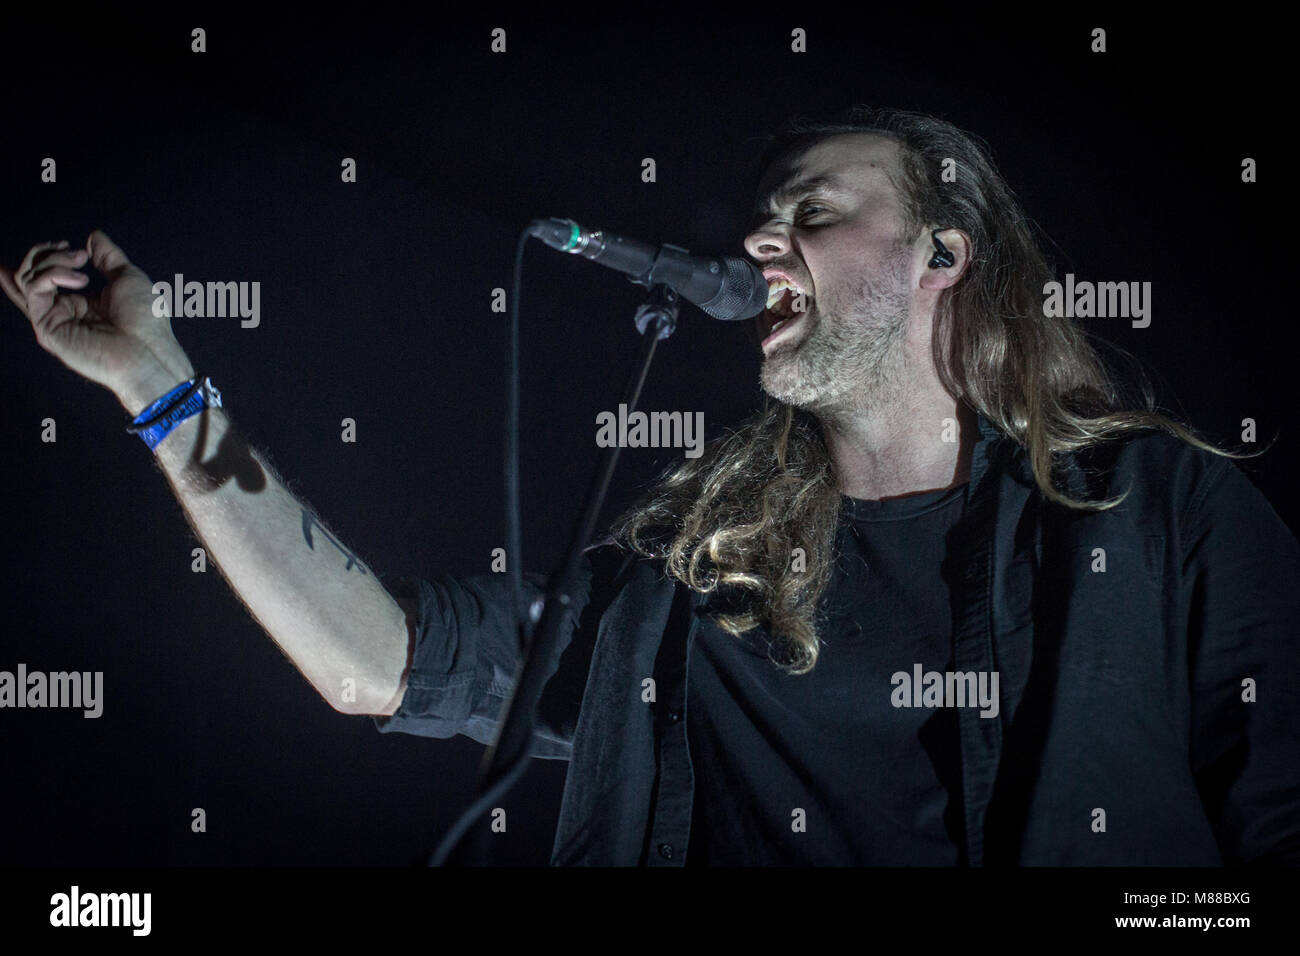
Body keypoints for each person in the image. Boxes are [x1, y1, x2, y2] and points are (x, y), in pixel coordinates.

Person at [5, 107, 1297, 867]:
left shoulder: (1160, 513)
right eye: (762, 213)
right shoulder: (681, 579)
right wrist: (159, 380)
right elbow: (375, 664)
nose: (754, 239)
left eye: (811, 209)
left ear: (942, 251)